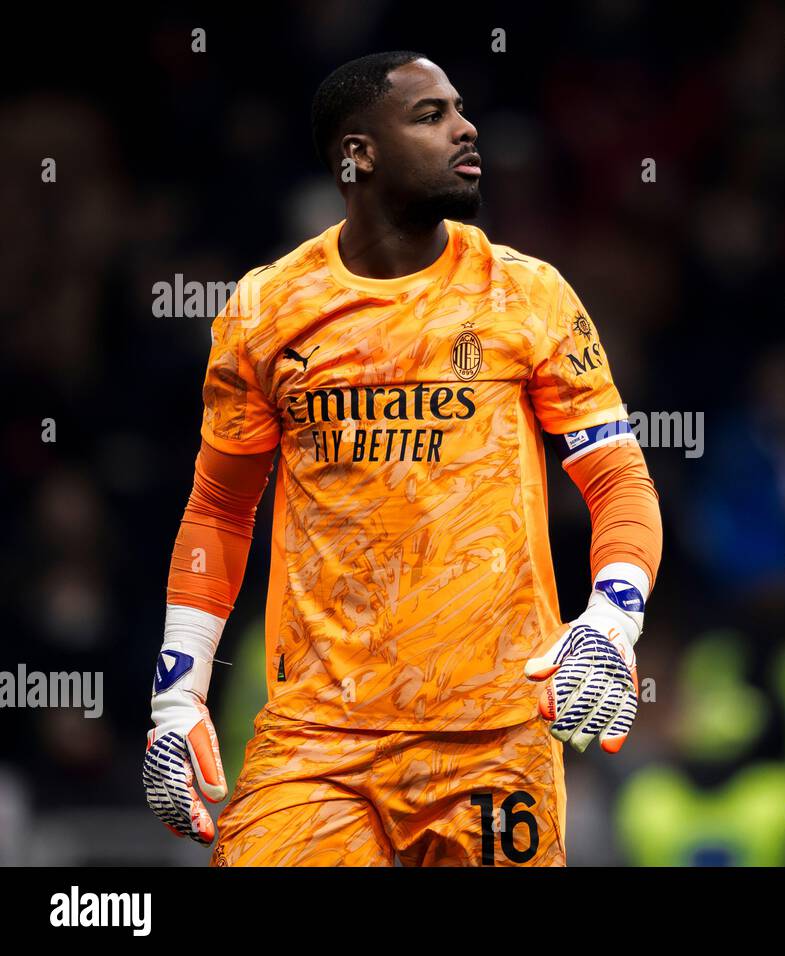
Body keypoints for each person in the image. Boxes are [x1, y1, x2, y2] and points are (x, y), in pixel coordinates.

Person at [142, 51, 662, 866]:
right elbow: (218, 509)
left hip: (494, 742)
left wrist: (610, 621)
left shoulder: (527, 296)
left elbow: (617, 475)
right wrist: (177, 697)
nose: (466, 127)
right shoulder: (265, 310)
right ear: (357, 154)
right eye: (430, 115)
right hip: (317, 746)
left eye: (461, 109)